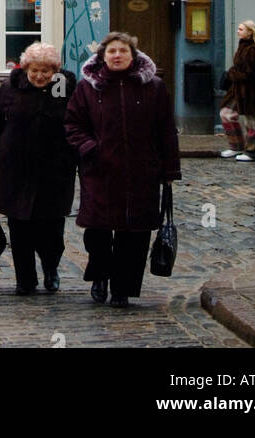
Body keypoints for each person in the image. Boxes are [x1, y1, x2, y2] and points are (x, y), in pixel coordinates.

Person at [64, 30, 181, 308]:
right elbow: (72, 124)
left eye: (123, 51)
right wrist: (90, 147)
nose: (117, 56)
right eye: (112, 51)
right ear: (103, 56)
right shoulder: (87, 87)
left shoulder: (154, 87)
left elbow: (166, 130)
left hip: (142, 173)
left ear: (133, 55)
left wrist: (169, 170)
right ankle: (100, 276)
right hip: (100, 172)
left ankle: (123, 288)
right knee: (98, 231)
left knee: (135, 233)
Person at [0, 42, 77, 296]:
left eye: (46, 71)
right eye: (34, 71)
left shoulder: (65, 88)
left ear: (56, 71)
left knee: (51, 229)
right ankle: (25, 280)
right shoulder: (11, 87)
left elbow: (78, 124)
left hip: (55, 170)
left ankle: (50, 267)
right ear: (25, 69)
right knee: (19, 227)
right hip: (16, 168)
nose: (40, 76)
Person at [220, 20, 255, 162]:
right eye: (238, 29)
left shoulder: (253, 49)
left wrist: (231, 74)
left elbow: (248, 73)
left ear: (249, 32)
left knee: (251, 121)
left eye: (241, 29)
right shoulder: (243, 46)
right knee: (226, 114)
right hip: (237, 90)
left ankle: (252, 152)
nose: (238, 31)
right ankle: (236, 146)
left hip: (250, 91)